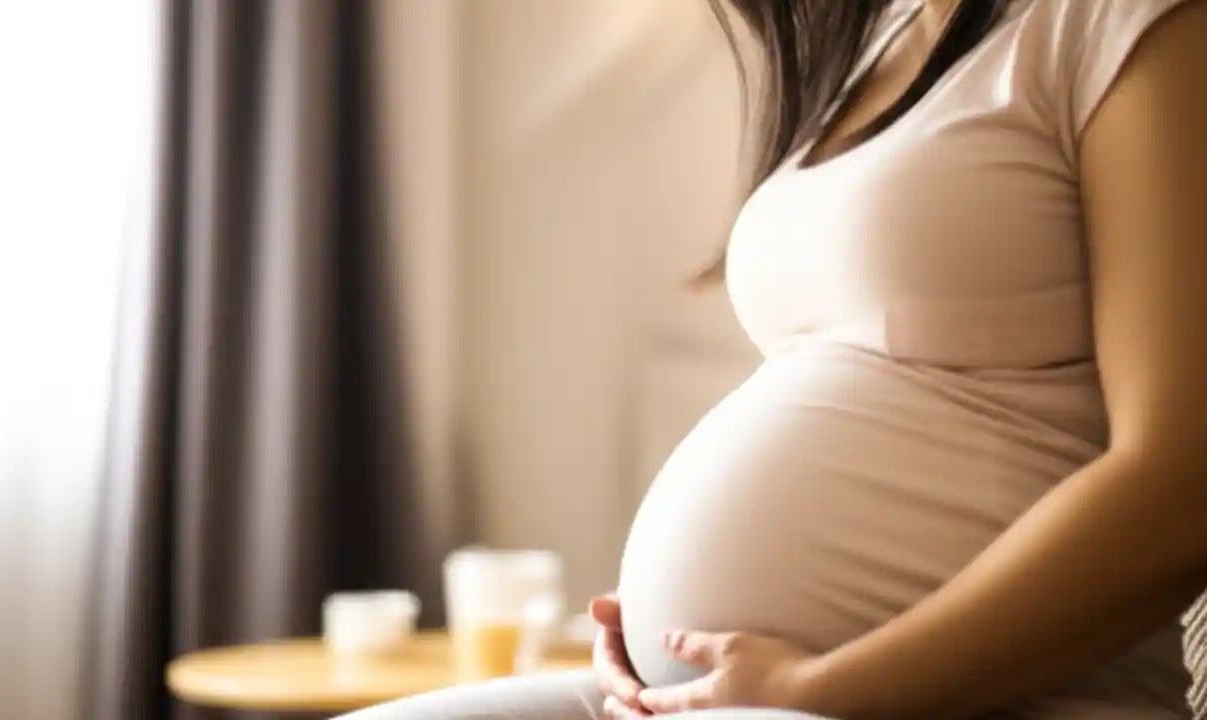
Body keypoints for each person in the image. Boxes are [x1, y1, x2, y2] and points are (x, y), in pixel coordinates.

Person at [340, 0, 1207, 716]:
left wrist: (821, 686)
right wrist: (657, 623)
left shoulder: (1121, 23)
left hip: (966, 701)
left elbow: (1181, 481)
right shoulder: (883, 38)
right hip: (734, 694)